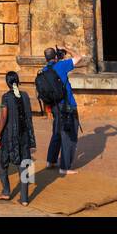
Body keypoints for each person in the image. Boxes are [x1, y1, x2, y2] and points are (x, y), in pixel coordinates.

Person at [0, 71, 36, 204]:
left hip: (9, 137)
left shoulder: (6, 97)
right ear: (17, 81)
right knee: (23, 165)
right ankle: (24, 199)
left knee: (1, 163)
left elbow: (3, 117)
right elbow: (29, 116)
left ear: (7, 83)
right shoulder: (25, 96)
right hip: (24, 135)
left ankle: (6, 191)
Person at [42, 46, 81, 174]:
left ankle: (51, 160)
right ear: (56, 57)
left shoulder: (44, 70)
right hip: (67, 106)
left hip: (54, 106)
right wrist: (67, 48)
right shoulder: (61, 66)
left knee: (57, 132)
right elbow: (78, 58)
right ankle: (65, 167)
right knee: (69, 135)